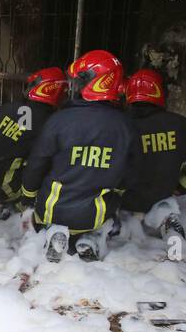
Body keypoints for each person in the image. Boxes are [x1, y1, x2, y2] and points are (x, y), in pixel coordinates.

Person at [19, 50, 138, 262]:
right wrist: (118, 192)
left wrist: (28, 195)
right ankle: (91, 239)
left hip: (51, 209)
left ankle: (54, 231)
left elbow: (37, 164)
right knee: (109, 211)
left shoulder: (59, 120)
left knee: (51, 203)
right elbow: (131, 173)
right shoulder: (126, 127)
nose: (76, 87)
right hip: (94, 214)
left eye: (80, 81)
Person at [120, 68, 186, 251]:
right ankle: (169, 224)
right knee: (165, 205)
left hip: (124, 199)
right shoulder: (179, 124)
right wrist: (182, 187)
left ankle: (111, 230)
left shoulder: (118, 125)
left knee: (111, 216)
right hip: (161, 194)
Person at [0, 67, 66, 224]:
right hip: (6, 187)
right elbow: (42, 162)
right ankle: (21, 205)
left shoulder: (10, 107)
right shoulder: (49, 123)